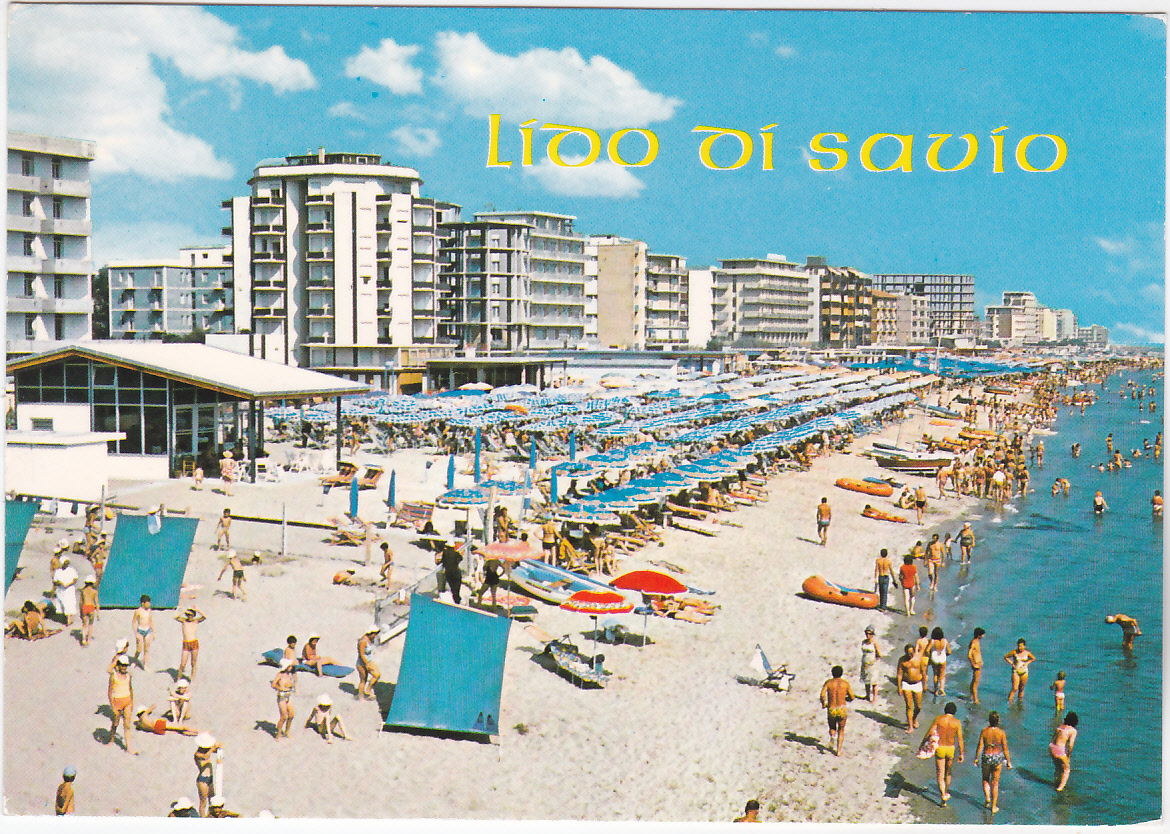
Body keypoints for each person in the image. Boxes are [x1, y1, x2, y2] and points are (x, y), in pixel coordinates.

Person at [922, 702, 964, 807]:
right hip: (950, 749)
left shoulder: (939, 719)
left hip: (940, 747)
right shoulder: (957, 722)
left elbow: (930, 732)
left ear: (945, 710)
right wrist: (961, 753)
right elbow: (960, 738)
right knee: (948, 773)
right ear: (954, 712)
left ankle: (943, 795)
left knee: (940, 775)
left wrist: (923, 743)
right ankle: (945, 793)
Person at [974, 711, 1012, 813]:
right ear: (998, 721)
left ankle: (987, 797)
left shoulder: (984, 731)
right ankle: (994, 807)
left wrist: (976, 758)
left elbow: (980, 746)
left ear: (989, 720)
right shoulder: (1001, 732)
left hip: (987, 755)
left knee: (985, 778)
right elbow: (1005, 748)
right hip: (997, 757)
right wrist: (1008, 762)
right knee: (995, 782)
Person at [819, 665, 855, 756]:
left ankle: (832, 736)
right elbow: (852, 696)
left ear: (832, 673)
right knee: (841, 730)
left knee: (832, 727)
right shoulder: (845, 683)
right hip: (842, 708)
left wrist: (823, 704)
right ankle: (838, 751)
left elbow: (822, 694)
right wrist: (846, 699)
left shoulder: (829, 683)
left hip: (832, 708)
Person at [106, 654, 136, 754]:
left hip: (127, 701)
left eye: (126, 665)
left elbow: (130, 689)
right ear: (118, 665)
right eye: (122, 665)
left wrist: (131, 702)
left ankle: (128, 747)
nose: (124, 667)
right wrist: (113, 706)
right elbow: (110, 692)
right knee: (115, 723)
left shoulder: (128, 676)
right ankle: (111, 739)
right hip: (117, 701)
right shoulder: (113, 676)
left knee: (127, 725)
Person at [896, 644, 925, 732]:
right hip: (906, 684)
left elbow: (923, 672)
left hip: (917, 683)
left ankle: (914, 718)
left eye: (912, 653)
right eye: (908, 653)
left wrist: (925, 684)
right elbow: (899, 674)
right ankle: (910, 726)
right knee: (909, 706)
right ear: (905, 653)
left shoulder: (919, 658)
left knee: (918, 707)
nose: (910, 655)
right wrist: (899, 687)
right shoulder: (902, 660)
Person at [1049, 712, 1079, 792]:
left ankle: (1056, 782)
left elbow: (1053, 738)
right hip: (1059, 749)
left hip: (1051, 747)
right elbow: (1070, 745)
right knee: (1067, 769)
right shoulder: (1073, 731)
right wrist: (1068, 756)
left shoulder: (1060, 727)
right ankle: (1060, 788)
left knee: (1058, 767)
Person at [176, 608, 206, 681]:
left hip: (194, 642)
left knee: (193, 663)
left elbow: (204, 616)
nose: (190, 616)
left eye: (191, 615)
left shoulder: (195, 621)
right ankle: (178, 679)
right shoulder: (184, 621)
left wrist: (198, 609)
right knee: (183, 664)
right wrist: (184, 610)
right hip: (186, 643)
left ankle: (192, 679)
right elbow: (175, 617)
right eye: (188, 615)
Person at [193, 733, 220, 815]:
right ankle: (202, 817)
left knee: (212, 799)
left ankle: (210, 816)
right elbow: (205, 756)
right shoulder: (198, 754)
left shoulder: (207, 751)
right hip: (203, 780)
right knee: (203, 801)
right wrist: (212, 748)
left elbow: (216, 749)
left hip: (209, 778)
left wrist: (218, 746)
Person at [134, 704, 201, 736]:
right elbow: (152, 707)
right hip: (157, 724)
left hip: (156, 731)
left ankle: (196, 734)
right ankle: (201, 731)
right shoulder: (144, 715)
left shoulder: (140, 724)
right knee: (182, 727)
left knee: (179, 732)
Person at [271, 658, 297, 739]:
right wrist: (280, 688)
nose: (291, 667)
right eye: (290, 666)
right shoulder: (280, 675)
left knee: (291, 715)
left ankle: (287, 731)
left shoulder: (290, 675)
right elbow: (273, 684)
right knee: (284, 716)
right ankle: (278, 734)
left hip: (288, 695)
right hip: (282, 696)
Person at [1005, 638, 1035, 704]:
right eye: (1019, 646)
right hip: (1016, 671)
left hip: (1024, 671)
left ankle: (1020, 703)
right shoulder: (1014, 652)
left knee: (1021, 689)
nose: (1020, 647)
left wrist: (1027, 663)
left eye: (1021, 646)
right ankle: (1009, 702)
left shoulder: (1027, 653)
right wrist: (1012, 663)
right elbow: (1006, 657)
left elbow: (1033, 658)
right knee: (1015, 688)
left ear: (1024, 646)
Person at [53, 555, 80, 627]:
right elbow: (55, 581)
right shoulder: (58, 571)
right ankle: (65, 619)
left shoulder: (72, 570)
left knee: (69, 604)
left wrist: (68, 584)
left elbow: (75, 579)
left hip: (69, 590)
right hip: (61, 590)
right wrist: (60, 583)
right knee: (62, 604)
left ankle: (68, 620)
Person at [356, 625, 381, 701]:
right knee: (363, 680)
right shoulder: (363, 641)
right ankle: (361, 697)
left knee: (377, 674)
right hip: (362, 663)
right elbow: (361, 654)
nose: (375, 636)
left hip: (369, 661)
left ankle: (368, 689)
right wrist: (366, 664)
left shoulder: (370, 640)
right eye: (374, 634)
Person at [132, 595, 155, 669]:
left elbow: (150, 621)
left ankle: (145, 665)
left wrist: (153, 632)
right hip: (140, 631)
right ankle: (135, 661)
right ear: (143, 603)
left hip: (148, 630)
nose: (149, 604)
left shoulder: (149, 610)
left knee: (146, 650)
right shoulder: (138, 611)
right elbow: (134, 622)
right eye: (147, 603)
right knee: (139, 649)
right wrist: (136, 633)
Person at [860, 626, 882, 701]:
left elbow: (879, 655)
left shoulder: (874, 643)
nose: (868, 635)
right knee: (866, 680)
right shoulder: (864, 642)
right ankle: (867, 695)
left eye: (870, 634)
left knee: (874, 681)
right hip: (865, 663)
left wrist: (872, 661)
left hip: (873, 664)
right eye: (867, 633)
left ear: (872, 634)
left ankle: (874, 698)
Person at [78, 575, 99, 646]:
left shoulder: (83, 591)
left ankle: (84, 639)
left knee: (84, 624)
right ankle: (89, 639)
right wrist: (98, 613)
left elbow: (80, 602)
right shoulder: (94, 591)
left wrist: (80, 612)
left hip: (85, 606)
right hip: (91, 607)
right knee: (90, 624)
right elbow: (96, 603)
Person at [928, 626, 949, 695]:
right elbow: (949, 651)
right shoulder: (945, 641)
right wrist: (946, 654)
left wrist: (929, 656)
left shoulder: (933, 641)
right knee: (942, 674)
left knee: (935, 675)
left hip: (934, 658)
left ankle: (936, 690)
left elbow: (927, 650)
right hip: (942, 658)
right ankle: (942, 688)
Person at [967, 627, 985, 704]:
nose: (983, 636)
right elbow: (969, 654)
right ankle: (975, 699)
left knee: (974, 680)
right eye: (982, 634)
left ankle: (972, 696)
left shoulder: (977, 642)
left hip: (978, 664)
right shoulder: (974, 643)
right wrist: (973, 663)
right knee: (975, 682)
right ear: (978, 635)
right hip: (976, 665)